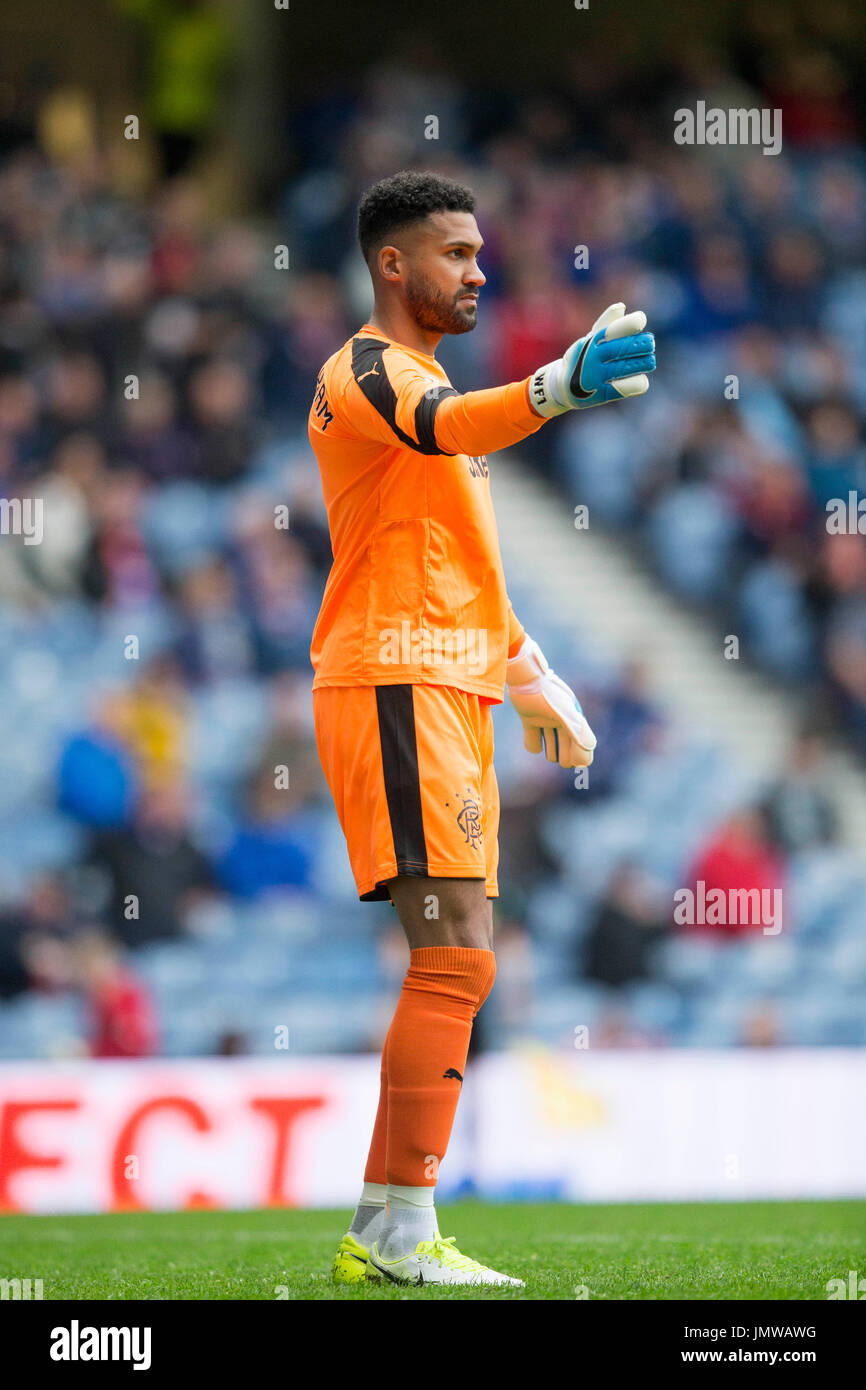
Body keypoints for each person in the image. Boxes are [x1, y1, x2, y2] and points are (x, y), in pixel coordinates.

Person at [308, 170, 656, 1287]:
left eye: (479, 250)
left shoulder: (440, 406)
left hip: (450, 687)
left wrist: (529, 671)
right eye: (455, 253)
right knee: (454, 947)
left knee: (462, 951)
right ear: (393, 264)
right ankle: (397, 1229)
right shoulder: (367, 372)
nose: (478, 270)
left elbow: (459, 566)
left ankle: (389, 1221)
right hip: (391, 681)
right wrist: (557, 386)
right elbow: (447, 423)